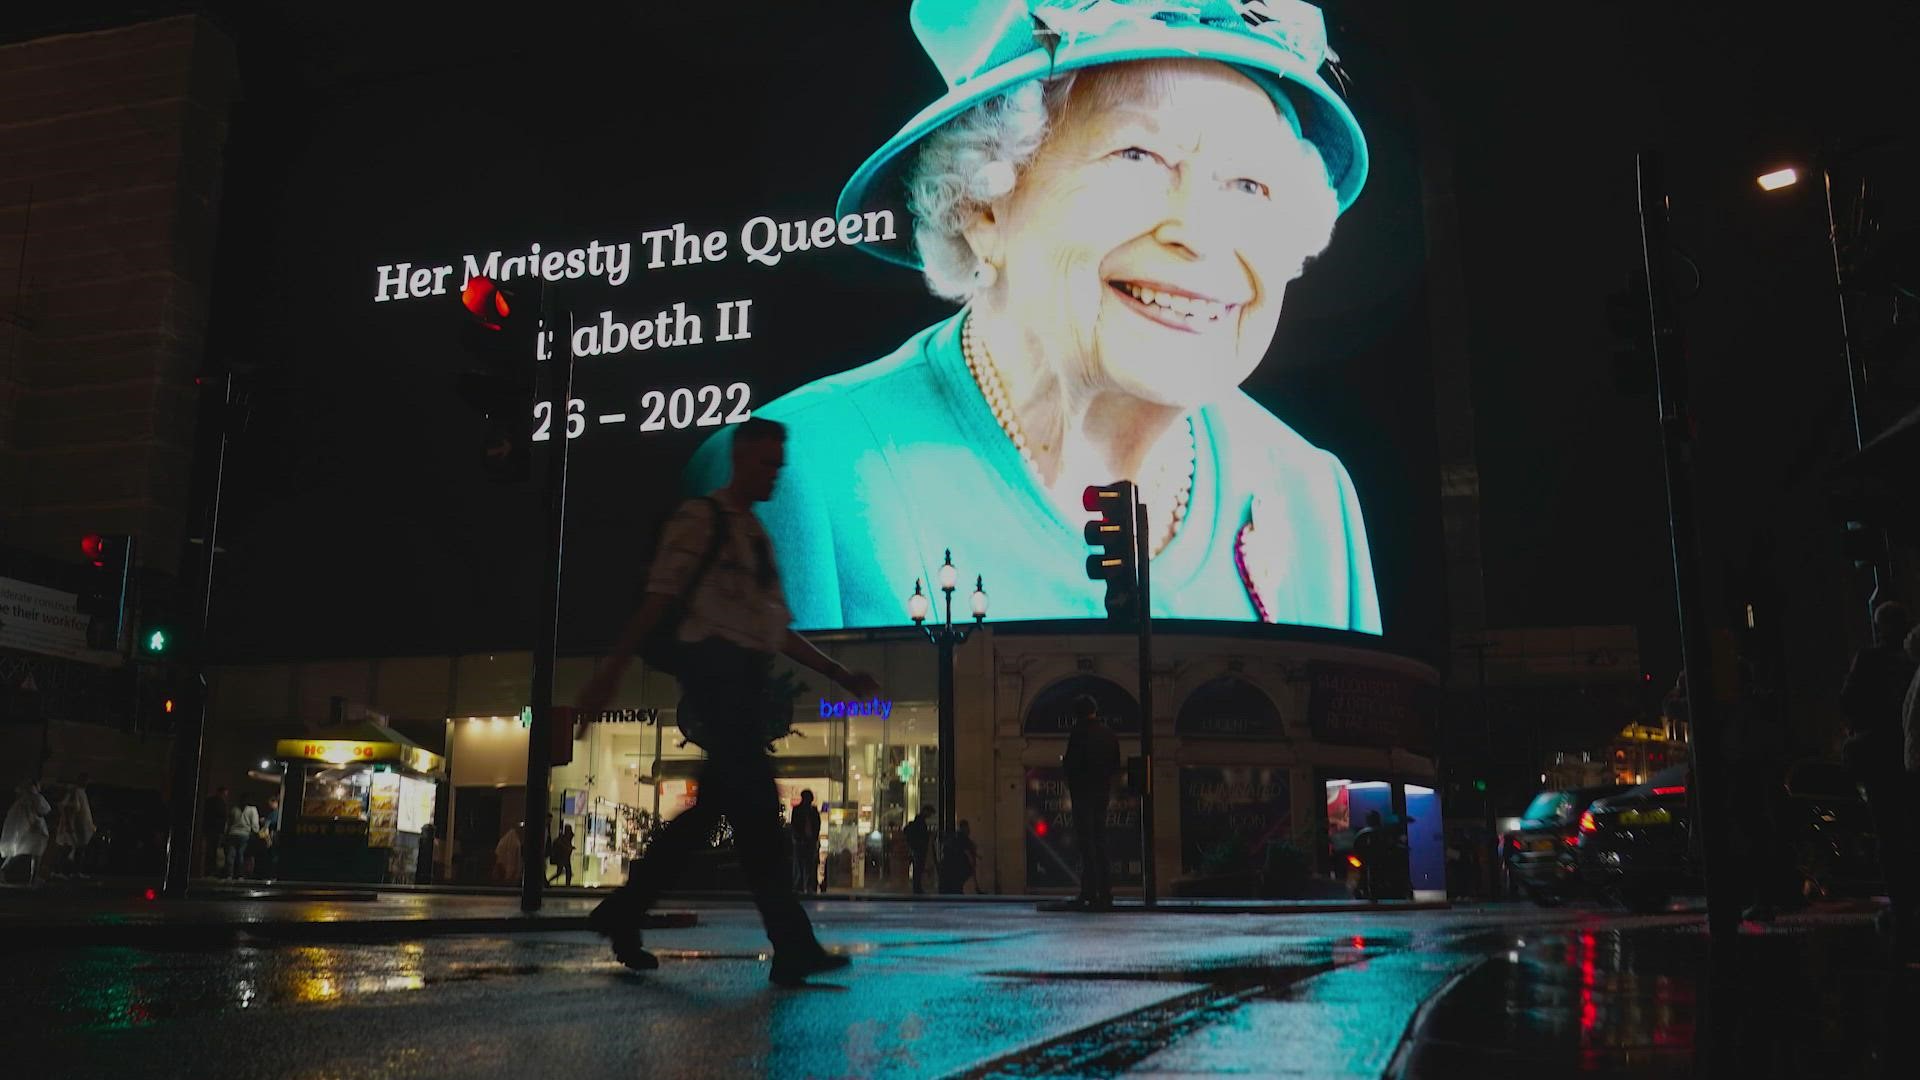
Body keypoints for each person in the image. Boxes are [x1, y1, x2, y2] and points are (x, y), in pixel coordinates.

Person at [689, 0, 1378, 635]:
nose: (1199, 233)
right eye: (1138, 155)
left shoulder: (1314, 499)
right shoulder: (795, 481)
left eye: (1250, 184)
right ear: (982, 203)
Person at [577, 418, 881, 985]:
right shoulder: (701, 521)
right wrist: (609, 673)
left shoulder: (756, 537)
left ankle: (625, 912)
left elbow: (777, 630)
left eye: (778, 464)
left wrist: (838, 673)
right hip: (714, 677)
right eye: (766, 463)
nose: (775, 474)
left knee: (719, 816)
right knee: (755, 816)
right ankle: (790, 945)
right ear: (740, 459)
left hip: (743, 681)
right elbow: (655, 602)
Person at [1841, 601, 1918, 959]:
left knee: (1890, 835)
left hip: (1882, 761)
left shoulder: (1869, 661)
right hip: (1906, 758)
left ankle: (1903, 906)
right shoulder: (1910, 662)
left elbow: (1848, 702)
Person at [1062, 693, 1121, 910]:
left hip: (1083, 794)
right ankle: (1105, 891)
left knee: (1086, 844)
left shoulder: (1078, 733)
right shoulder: (1108, 734)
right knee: (1100, 840)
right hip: (1102, 793)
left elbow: (1071, 766)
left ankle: (1089, 891)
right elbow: (1116, 764)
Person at [45, 773, 96, 880]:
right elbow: (68, 808)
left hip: (81, 826)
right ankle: (58, 871)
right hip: (75, 826)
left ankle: (74, 871)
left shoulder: (81, 792)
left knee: (78, 849)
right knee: (67, 848)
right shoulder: (75, 792)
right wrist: (68, 824)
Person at [1, 781, 51, 884]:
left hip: (24, 829)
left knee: (18, 851)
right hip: (36, 828)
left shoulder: (22, 798)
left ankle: (3, 870)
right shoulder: (36, 797)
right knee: (36, 853)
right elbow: (44, 810)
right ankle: (33, 878)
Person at [791, 789, 822, 894]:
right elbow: (794, 826)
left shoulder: (813, 811)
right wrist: (798, 838)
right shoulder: (797, 810)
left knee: (809, 864)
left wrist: (815, 839)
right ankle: (800, 886)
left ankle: (808, 886)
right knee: (800, 865)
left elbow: (817, 826)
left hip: (810, 842)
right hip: (801, 841)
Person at [940, 819, 980, 894]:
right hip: (958, 865)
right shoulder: (961, 837)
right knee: (957, 882)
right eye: (967, 828)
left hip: (952, 866)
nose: (969, 830)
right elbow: (966, 851)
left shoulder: (956, 837)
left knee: (956, 883)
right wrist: (972, 863)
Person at [224, 797, 259, 880]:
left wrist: (226, 833)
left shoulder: (234, 809)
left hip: (232, 833)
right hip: (244, 834)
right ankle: (240, 874)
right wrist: (256, 832)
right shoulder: (252, 809)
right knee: (241, 855)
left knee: (231, 854)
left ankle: (229, 874)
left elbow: (228, 823)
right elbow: (254, 824)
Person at [902, 809, 934, 895]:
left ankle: (917, 888)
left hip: (916, 848)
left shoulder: (917, 822)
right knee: (918, 869)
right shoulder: (920, 823)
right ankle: (917, 888)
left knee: (917, 869)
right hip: (919, 849)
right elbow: (922, 836)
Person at [201, 785, 229, 877]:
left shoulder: (210, 801)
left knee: (210, 850)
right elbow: (223, 817)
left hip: (210, 829)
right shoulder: (220, 803)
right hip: (215, 830)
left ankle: (209, 870)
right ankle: (212, 870)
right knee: (213, 851)